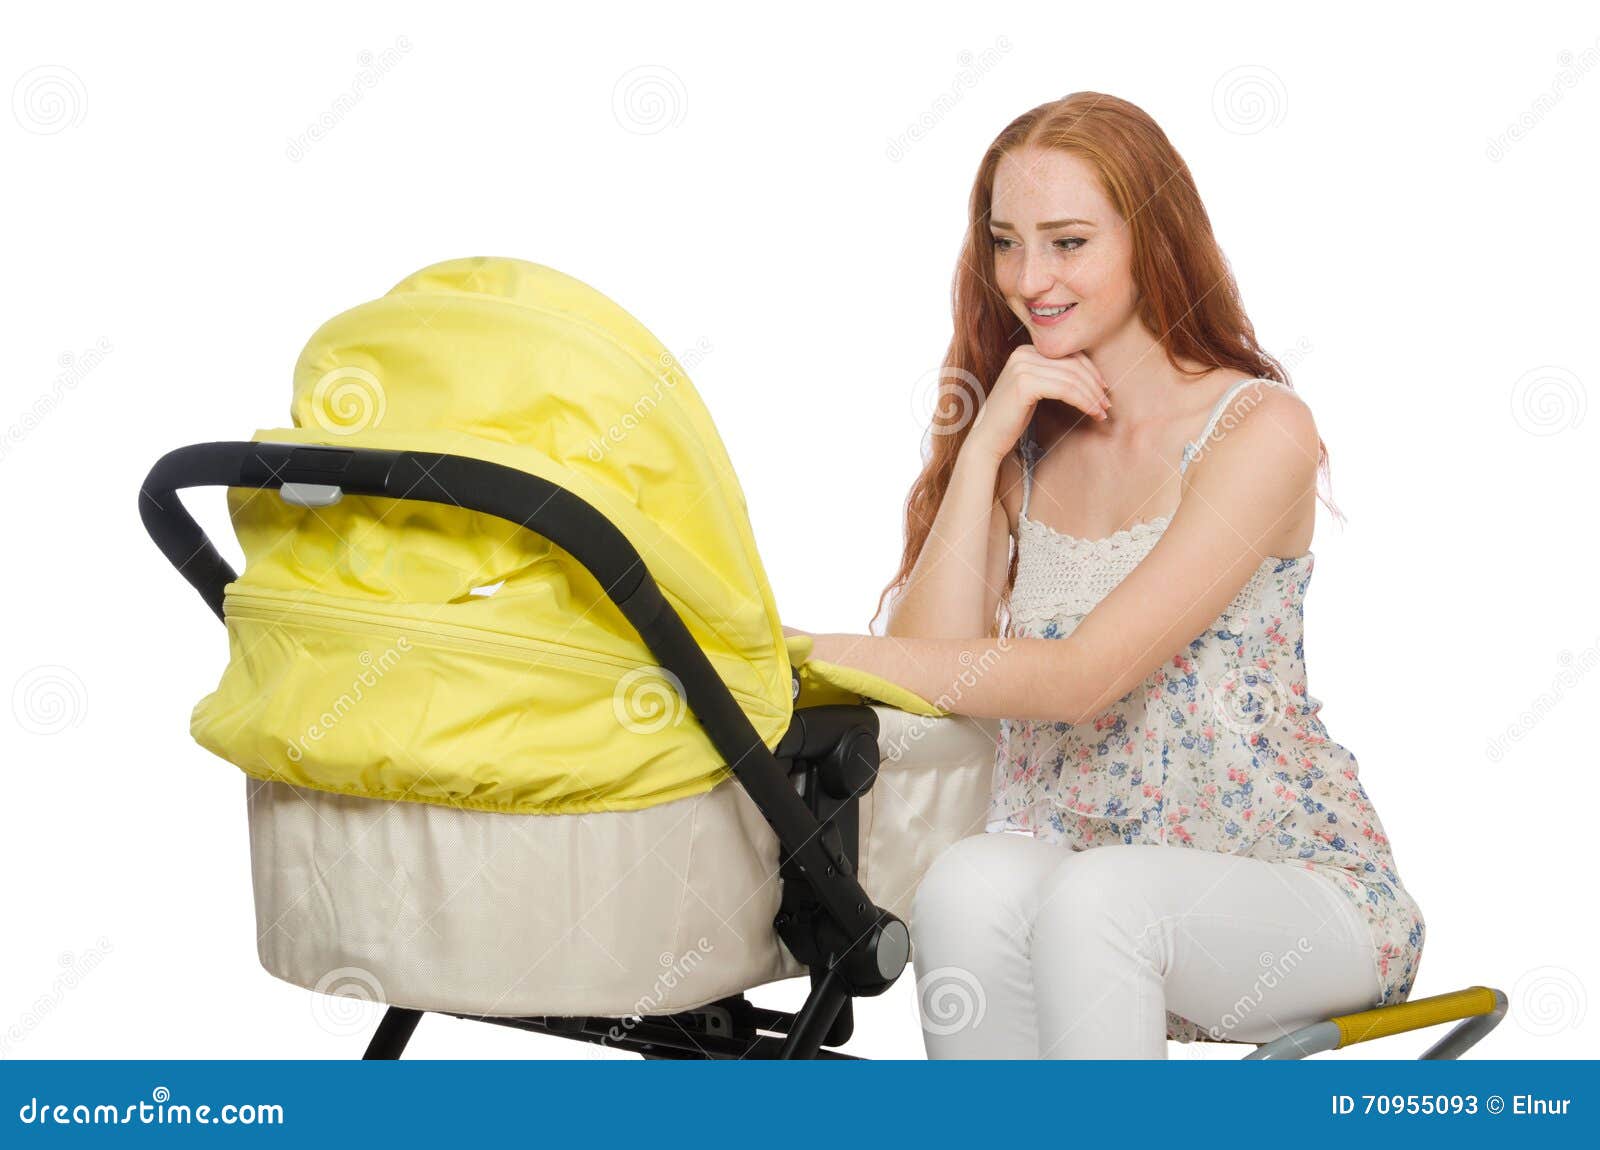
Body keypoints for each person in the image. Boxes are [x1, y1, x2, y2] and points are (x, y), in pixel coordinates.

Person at [788, 92, 1425, 1058]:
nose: (1028, 278)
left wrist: (807, 651)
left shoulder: (1260, 431)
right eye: (1006, 242)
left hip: (1295, 893)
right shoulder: (1029, 441)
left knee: (1103, 895)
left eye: (1069, 242)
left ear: (1152, 242)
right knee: (966, 877)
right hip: (1092, 898)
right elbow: (927, 677)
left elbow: (1085, 681)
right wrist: (985, 446)